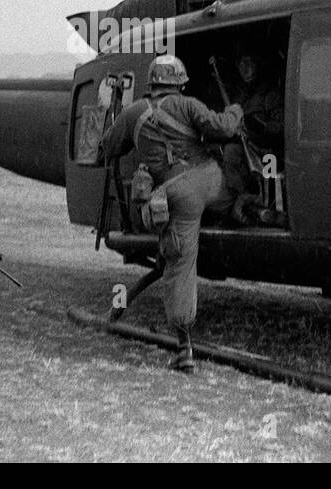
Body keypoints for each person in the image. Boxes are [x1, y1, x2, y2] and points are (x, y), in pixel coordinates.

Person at [99, 55, 242, 372]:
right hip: (212, 182)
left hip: (178, 193)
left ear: (151, 83)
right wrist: (236, 109)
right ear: (180, 83)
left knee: (180, 263)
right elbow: (224, 127)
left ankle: (184, 348)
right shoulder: (189, 104)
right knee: (235, 184)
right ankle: (247, 208)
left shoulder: (132, 113)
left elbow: (107, 148)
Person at [222, 48, 285, 224]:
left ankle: (271, 212)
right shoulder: (237, 97)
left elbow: (280, 129)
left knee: (271, 182)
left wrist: (260, 126)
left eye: (250, 63)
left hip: (267, 152)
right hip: (244, 153)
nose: (246, 69)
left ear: (257, 65)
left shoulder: (271, 95)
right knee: (230, 152)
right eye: (242, 64)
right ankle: (243, 206)